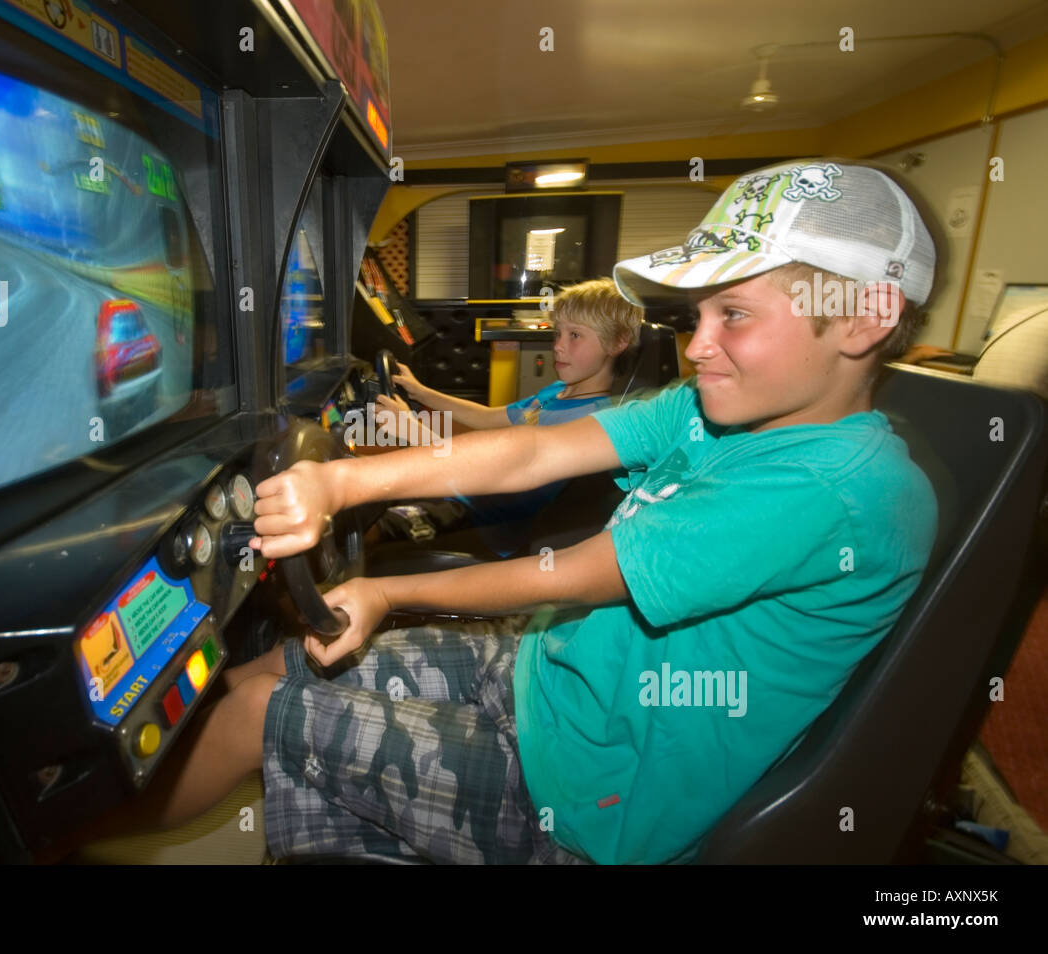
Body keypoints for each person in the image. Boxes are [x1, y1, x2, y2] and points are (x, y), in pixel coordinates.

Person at [123, 159, 941, 865]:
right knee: (284, 659)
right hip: (547, 679)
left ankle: (59, 841)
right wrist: (342, 486)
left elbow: (585, 573)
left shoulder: (833, 489)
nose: (696, 346)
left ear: (867, 316)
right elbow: (535, 449)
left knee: (265, 709)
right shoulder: (710, 407)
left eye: (734, 315)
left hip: (587, 797)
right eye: (696, 317)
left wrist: (387, 592)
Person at [370, 278, 642, 549]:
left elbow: (494, 479)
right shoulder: (560, 391)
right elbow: (490, 417)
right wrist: (421, 392)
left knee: (376, 526)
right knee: (374, 492)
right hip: (469, 492)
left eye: (575, 335)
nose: (558, 345)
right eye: (557, 332)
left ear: (618, 342)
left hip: (486, 521)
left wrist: (413, 431)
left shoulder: (590, 424)